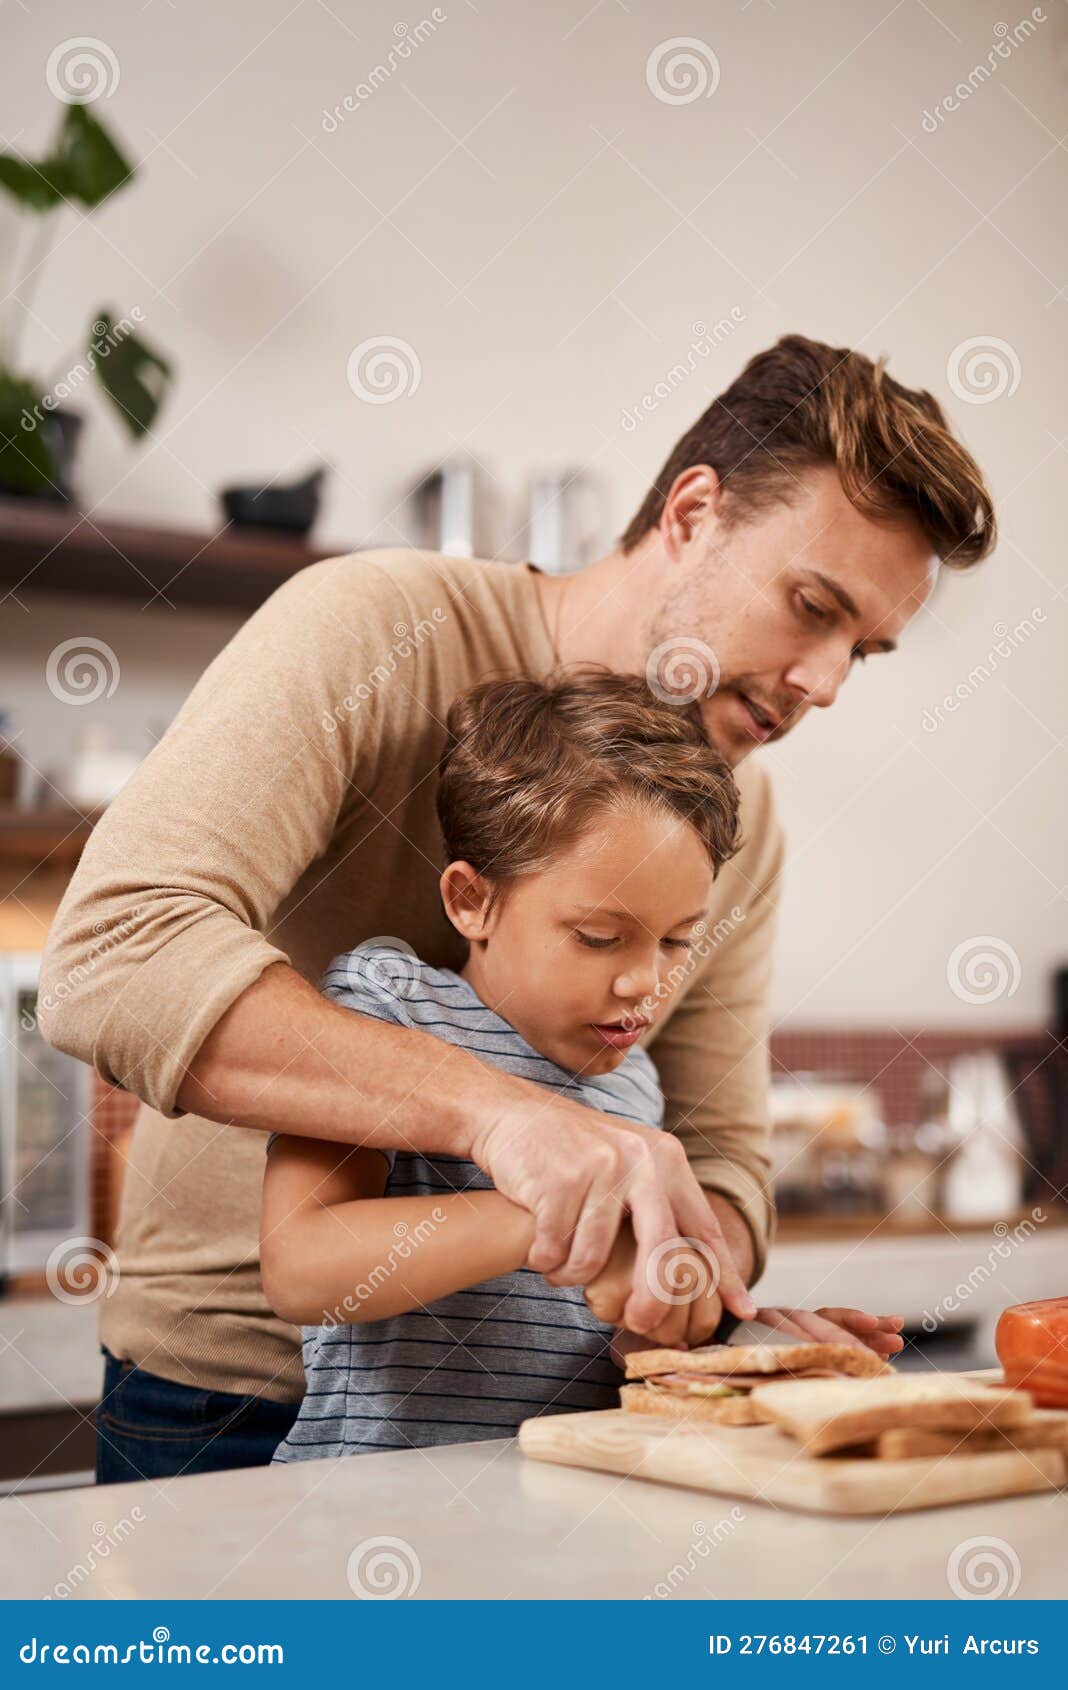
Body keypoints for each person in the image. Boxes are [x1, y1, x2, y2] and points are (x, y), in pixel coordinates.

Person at [36, 334, 992, 1482]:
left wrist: (704, 1311)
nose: (826, 683)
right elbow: (111, 955)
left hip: (559, 1421)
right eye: (811, 605)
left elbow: (721, 1157)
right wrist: (503, 1122)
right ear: (693, 514)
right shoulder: (370, 629)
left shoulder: (744, 820)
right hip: (237, 1405)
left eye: (865, 651)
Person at [263, 671, 902, 1463]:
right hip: (378, 1516)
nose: (648, 982)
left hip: (565, 1508)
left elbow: (620, 1342)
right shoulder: (389, 1009)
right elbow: (300, 1267)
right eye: (600, 938)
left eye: (677, 941)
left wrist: (729, 1335)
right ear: (472, 902)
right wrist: (559, 1216)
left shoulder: (631, 1083)